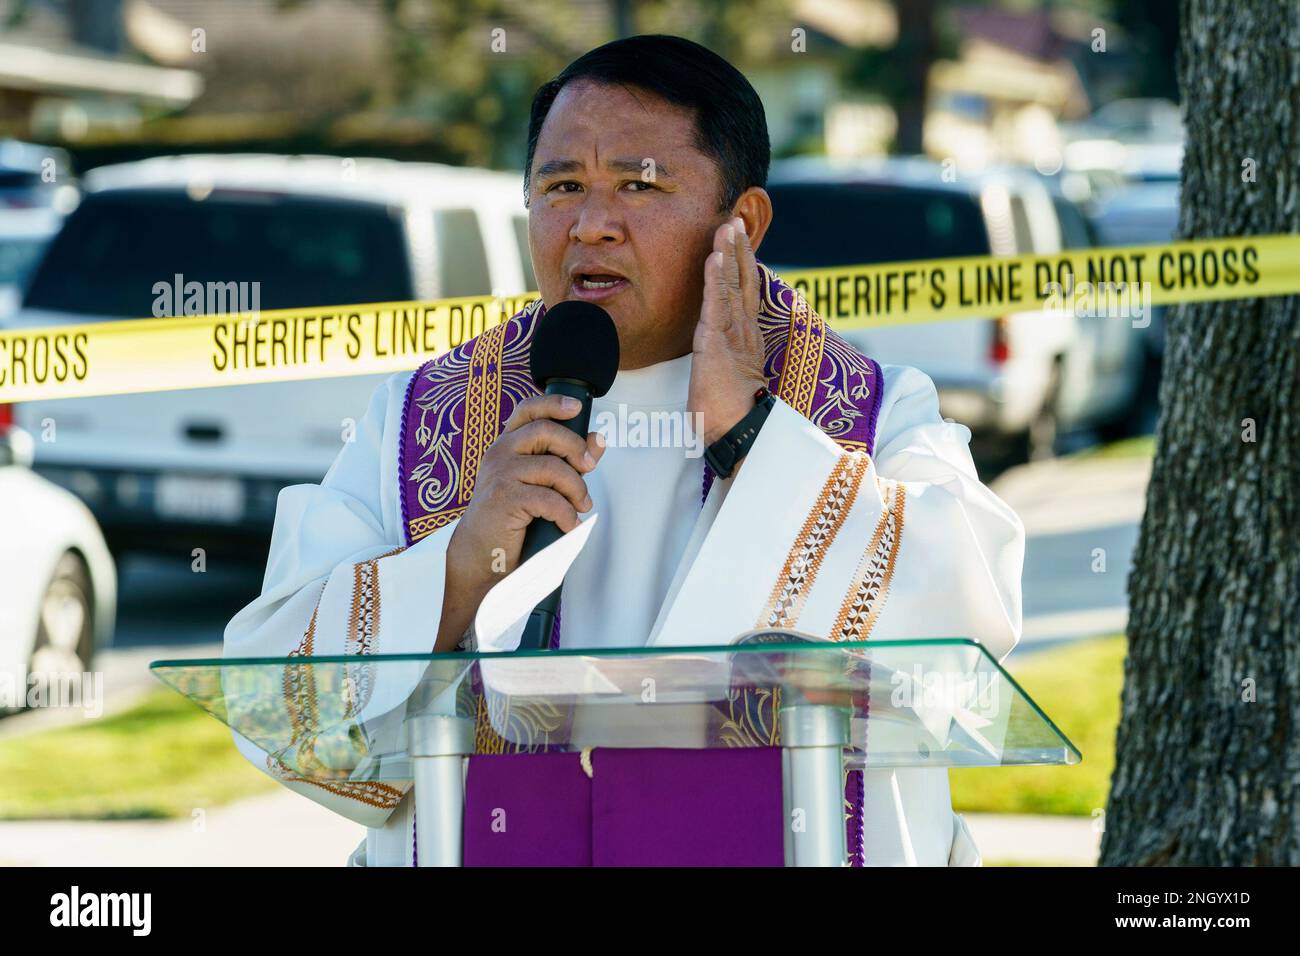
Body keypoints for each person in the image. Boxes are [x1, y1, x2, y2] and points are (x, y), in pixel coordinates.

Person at [224, 34, 1024, 867]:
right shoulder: (425, 419)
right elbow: (271, 704)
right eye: (562, 186)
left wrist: (752, 433)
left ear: (740, 223)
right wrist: (458, 569)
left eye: (639, 185)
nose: (590, 225)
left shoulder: (865, 409)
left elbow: (969, 621)